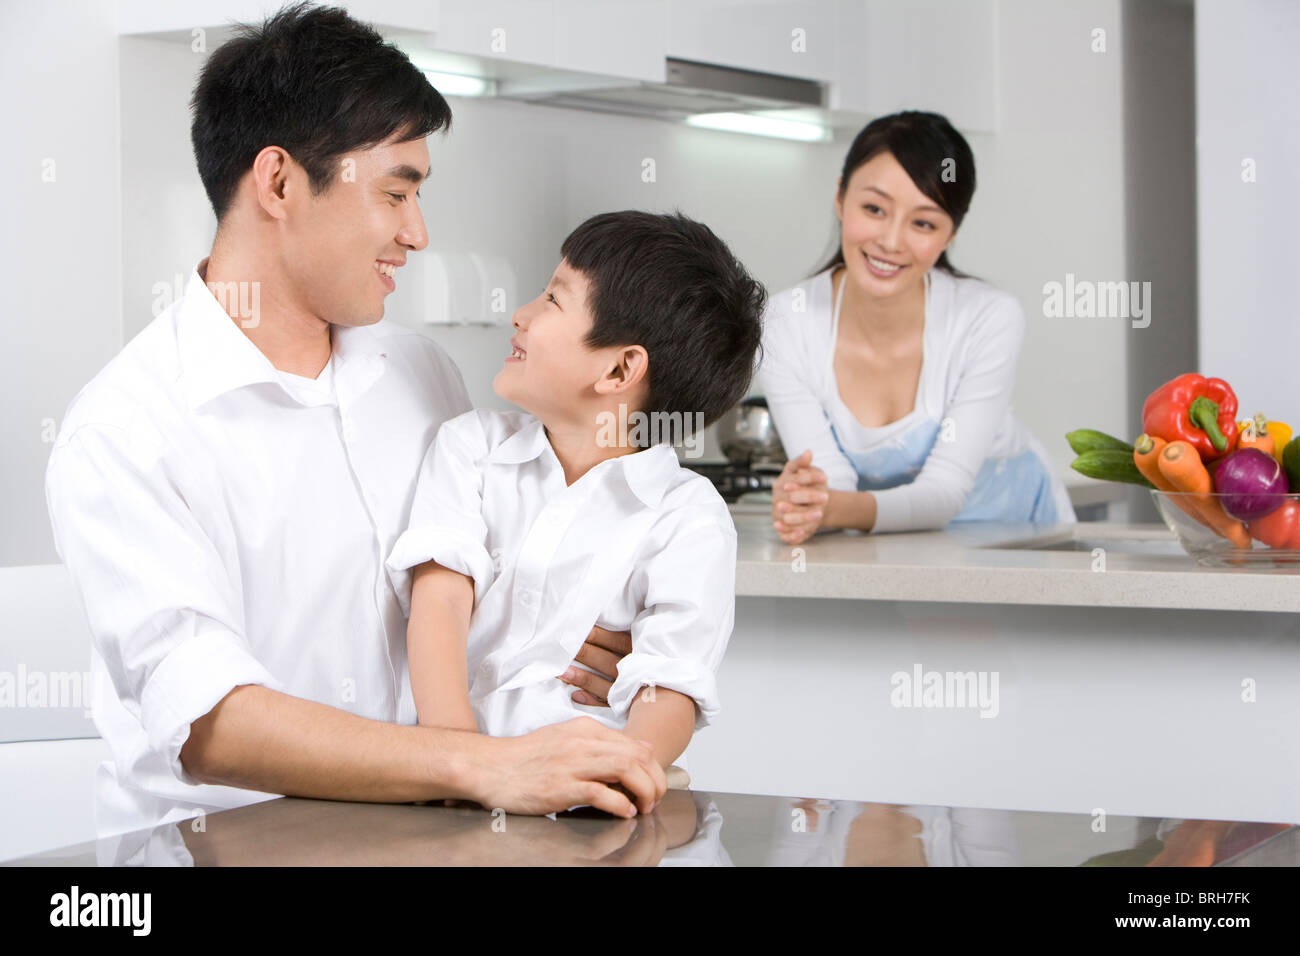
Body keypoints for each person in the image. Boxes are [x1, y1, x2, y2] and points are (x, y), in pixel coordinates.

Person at [44, 2, 665, 837]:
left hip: (427, 834)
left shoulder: (420, 374)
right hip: (215, 852)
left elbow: (473, 592)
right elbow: (213, 724)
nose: (417, 232)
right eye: (395, 192)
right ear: (278, 182)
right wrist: (481, 764)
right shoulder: (126, 430)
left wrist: (571, 633)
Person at [386, 211, 764, 772]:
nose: (520, 314)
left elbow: (671, 681)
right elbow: (438, 601)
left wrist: (623, 770)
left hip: (578, 791)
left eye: (552, 300)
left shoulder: (688, 517)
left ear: (618, 370)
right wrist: (462, 764)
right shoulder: (471, 447)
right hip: (455, 777)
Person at [759, 111, 1075, 546]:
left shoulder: (988, 317)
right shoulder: (784, 322)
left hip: (1019, 537)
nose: (891, 241)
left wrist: (826, 506)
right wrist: (810, 499)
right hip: (890, 545)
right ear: (840, 197)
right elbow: (833, 486)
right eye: (874, 209)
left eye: (923, 223)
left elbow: (943, 493)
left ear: (950, 234)